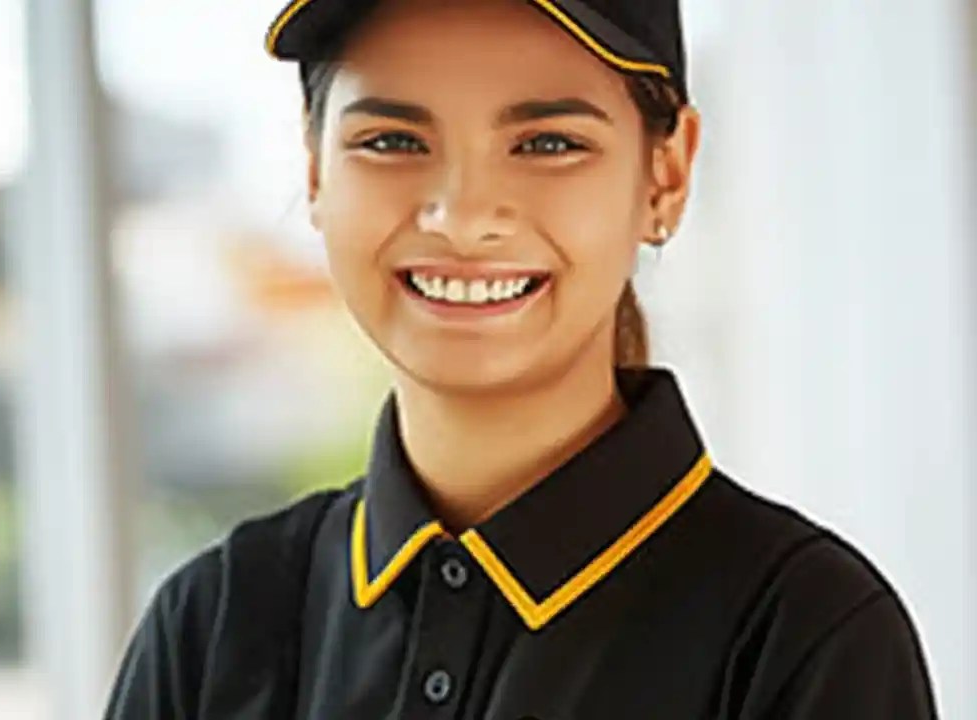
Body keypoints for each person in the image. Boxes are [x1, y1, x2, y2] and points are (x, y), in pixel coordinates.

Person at [105, 0, 938, 716]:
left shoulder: (802, 636)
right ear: (316, 168)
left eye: (547, 144)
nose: (461, 218)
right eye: (393, 140)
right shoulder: (213, 625)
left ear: (667, 175)